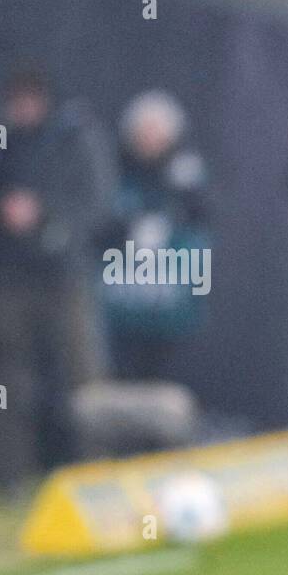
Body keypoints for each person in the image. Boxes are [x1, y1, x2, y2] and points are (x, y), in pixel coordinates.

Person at [0, 62, 113, 497]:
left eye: (29, 100)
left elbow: (95, 203)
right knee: (7, 380)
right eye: (15, 101)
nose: (22, 109)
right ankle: (10, 477)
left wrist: (44, 212)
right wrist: (0, 212)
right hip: (7, 278)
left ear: (45, 99)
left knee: (83, 378)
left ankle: (94, 473)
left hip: (63, 278)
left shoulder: (74, 137)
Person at [100, 90, 210, 380]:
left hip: (167, 305)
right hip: (119, 302)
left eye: (157, 133)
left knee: (161, 374)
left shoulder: (186, 175)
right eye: (143, 132)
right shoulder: (112, 172)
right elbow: (95, 224)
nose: (150, 140)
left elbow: (203, 220)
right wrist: (127, 231)